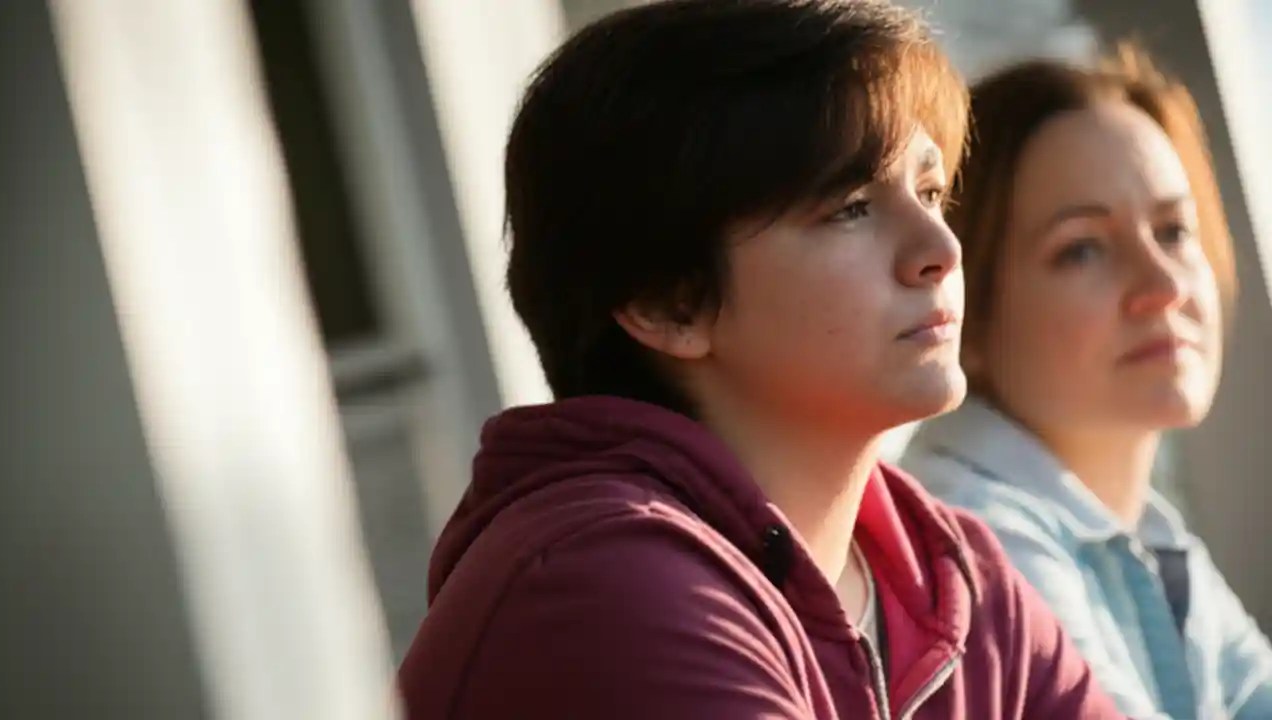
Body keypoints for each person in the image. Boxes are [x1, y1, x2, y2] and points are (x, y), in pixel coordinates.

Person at [399, 2, 1125, 717]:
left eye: (931, 192)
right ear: (669, 304)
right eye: (850, 207)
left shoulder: (954, 578)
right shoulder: (604, 583)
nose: (941, 250)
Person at [901, 47, 1272, 719]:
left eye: (1173, 230)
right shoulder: (976, 546)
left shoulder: (1150, 539)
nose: (1163, 285)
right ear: (965, 311)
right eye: (1082, 249)